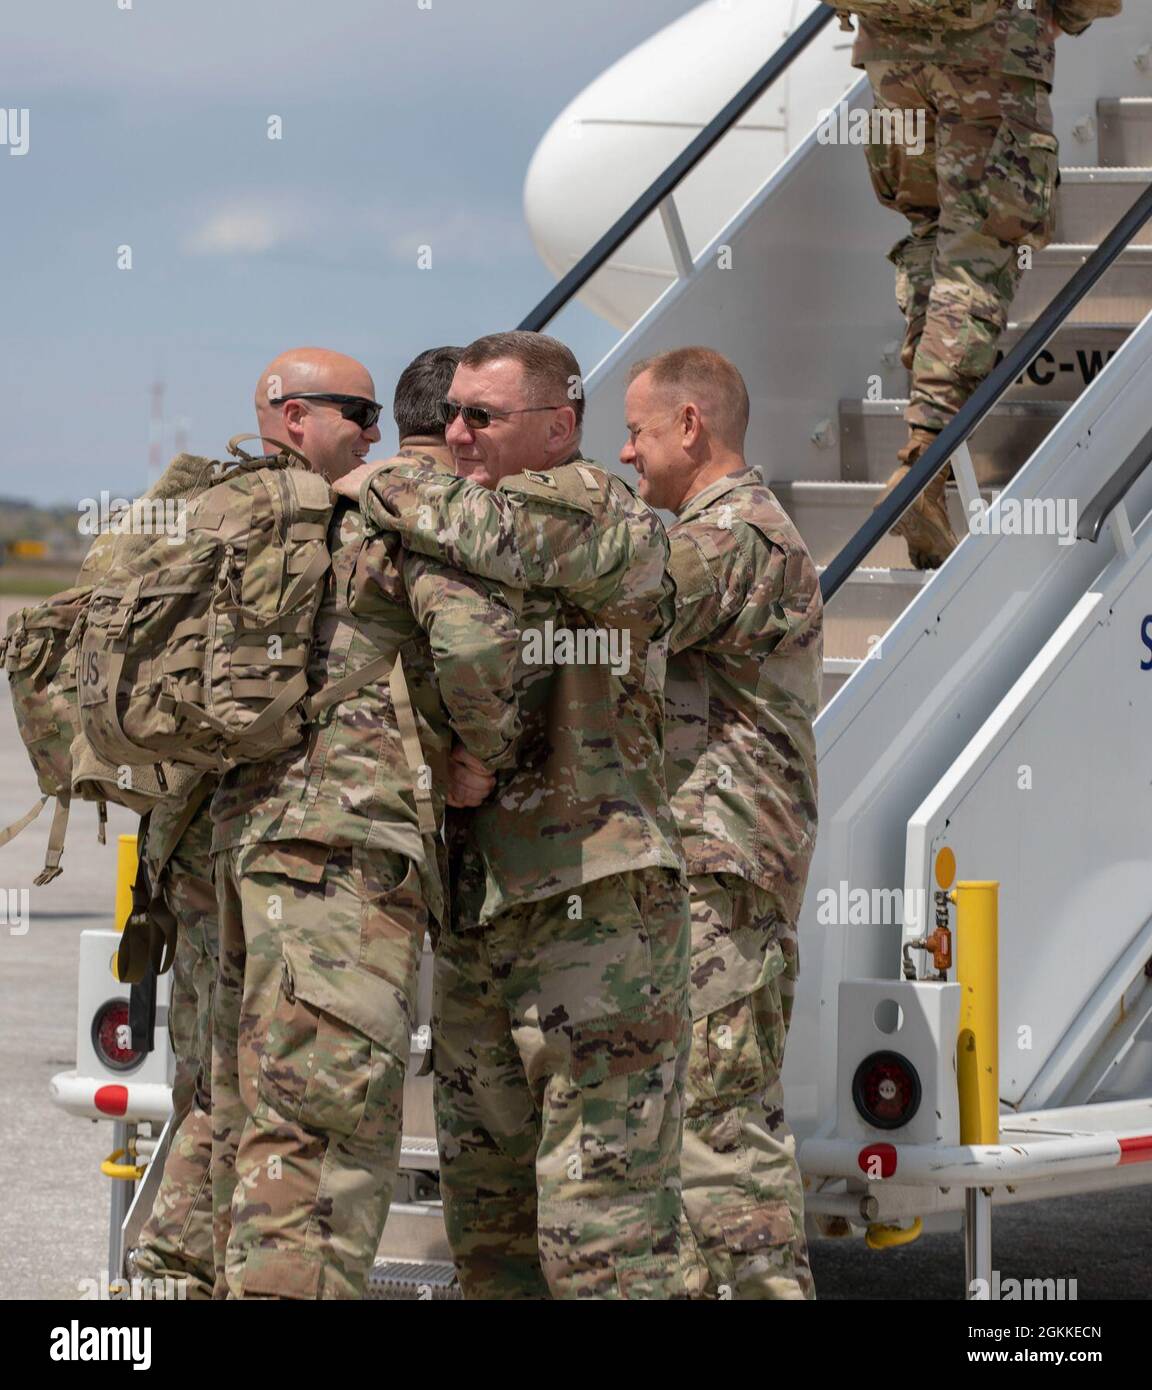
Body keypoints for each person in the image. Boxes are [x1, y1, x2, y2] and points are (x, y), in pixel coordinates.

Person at [334, 329, 691, 1299]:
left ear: (558, 426)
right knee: (489, 1230)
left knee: (605, 1233)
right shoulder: (456, 516)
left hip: (596, 902)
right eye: (447, 415)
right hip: (479, 905)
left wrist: (371, 483)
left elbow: (508, 537)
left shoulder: (598, 512)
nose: (453, 434)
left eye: (480, 416)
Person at [208, 346, 523, 1299]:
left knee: (257, 1117)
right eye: (360, 410)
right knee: (328, 1141)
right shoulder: (407, 505)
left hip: (252, 838)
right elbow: (471, 644)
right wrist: (484, 753)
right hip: (349, 854)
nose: (375, 430)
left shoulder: (263, 512)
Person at [620, 347, 822, 1299]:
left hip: (726, 869)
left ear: (690, 425)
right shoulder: (713, 528)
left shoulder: (740, 535)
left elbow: (632, 595)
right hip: (699, 868)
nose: (626, 454)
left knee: (721, 1132)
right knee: (690, 1125)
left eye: (637, 433)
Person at [851, 0, 1123, 567]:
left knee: (930, 230)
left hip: (889, 49)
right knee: (975, 252)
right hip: (989, 51)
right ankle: (925, 460)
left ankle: (926, 443)